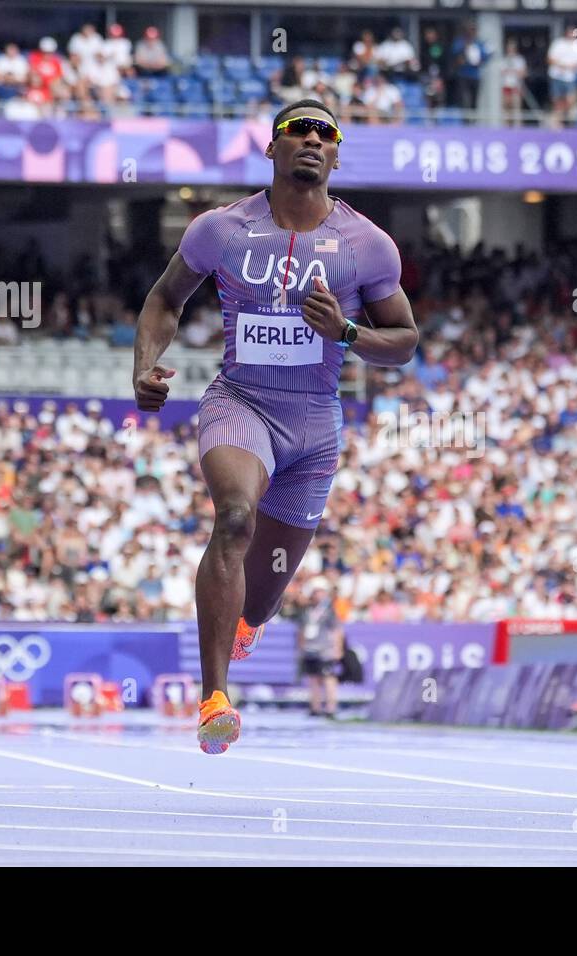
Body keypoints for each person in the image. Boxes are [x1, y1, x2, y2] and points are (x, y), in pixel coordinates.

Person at [132, 99, 418, 754]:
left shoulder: (365, 245)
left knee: (259, 603)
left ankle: (248, 620)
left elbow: (404, 340)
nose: (312, 139)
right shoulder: (220, 229)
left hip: (315, 428)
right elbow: (164, 299)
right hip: (241, 402)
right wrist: (145, 366)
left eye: (326, 132)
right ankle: (214, 699)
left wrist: (346, 331)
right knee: (234, 517)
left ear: (337, 154)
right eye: (298, 130)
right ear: (272, 148)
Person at [295, 584, 345, 717]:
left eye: (321, 592)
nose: (318, 595)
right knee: (313, 678)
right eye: (316, 592)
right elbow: (301, 631)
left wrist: (338, 649)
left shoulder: (329, 610)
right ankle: (315, 707)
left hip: (325, 649)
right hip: (309, 648)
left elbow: (337, 630)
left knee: (328, 678)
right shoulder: (306, 610)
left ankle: (331, 707)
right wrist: (300, 648)